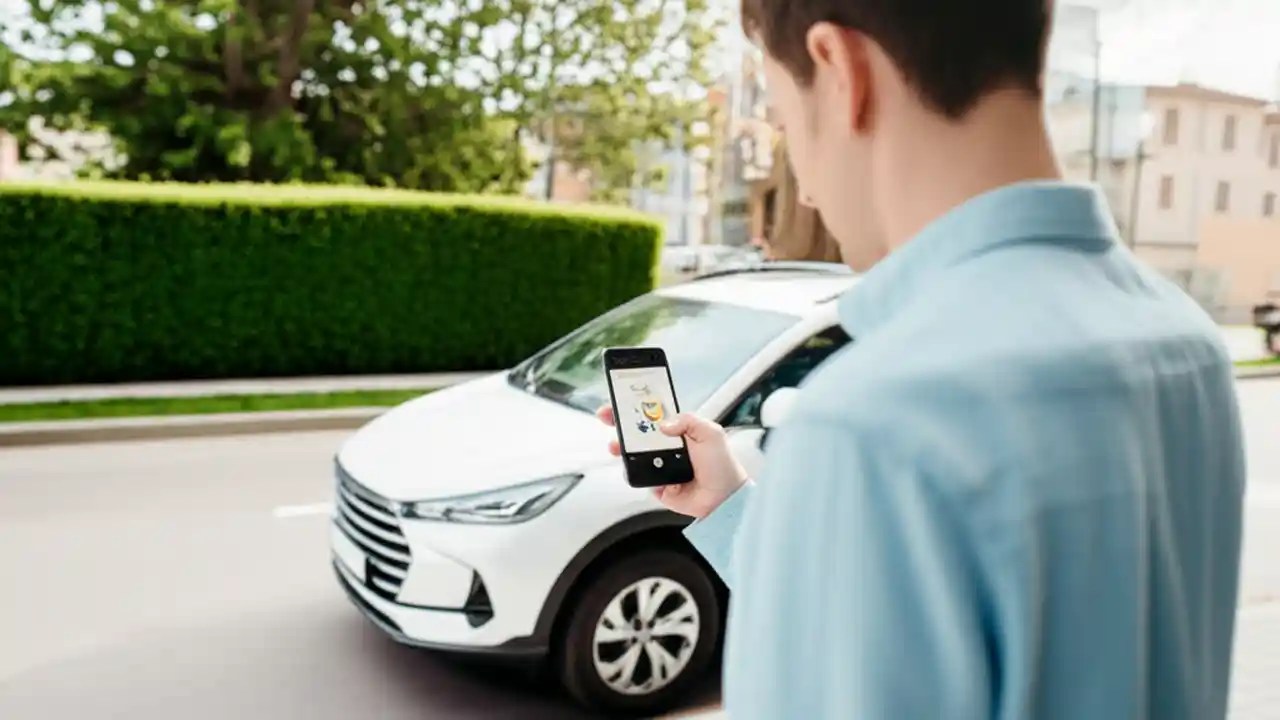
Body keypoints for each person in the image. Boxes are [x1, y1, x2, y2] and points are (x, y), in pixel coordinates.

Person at [599, 1, 1245, 717]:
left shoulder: (875, 419)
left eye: (786, 125)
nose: (807, 190)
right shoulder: (1188, 348)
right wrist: (730, 505)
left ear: (840, 69)